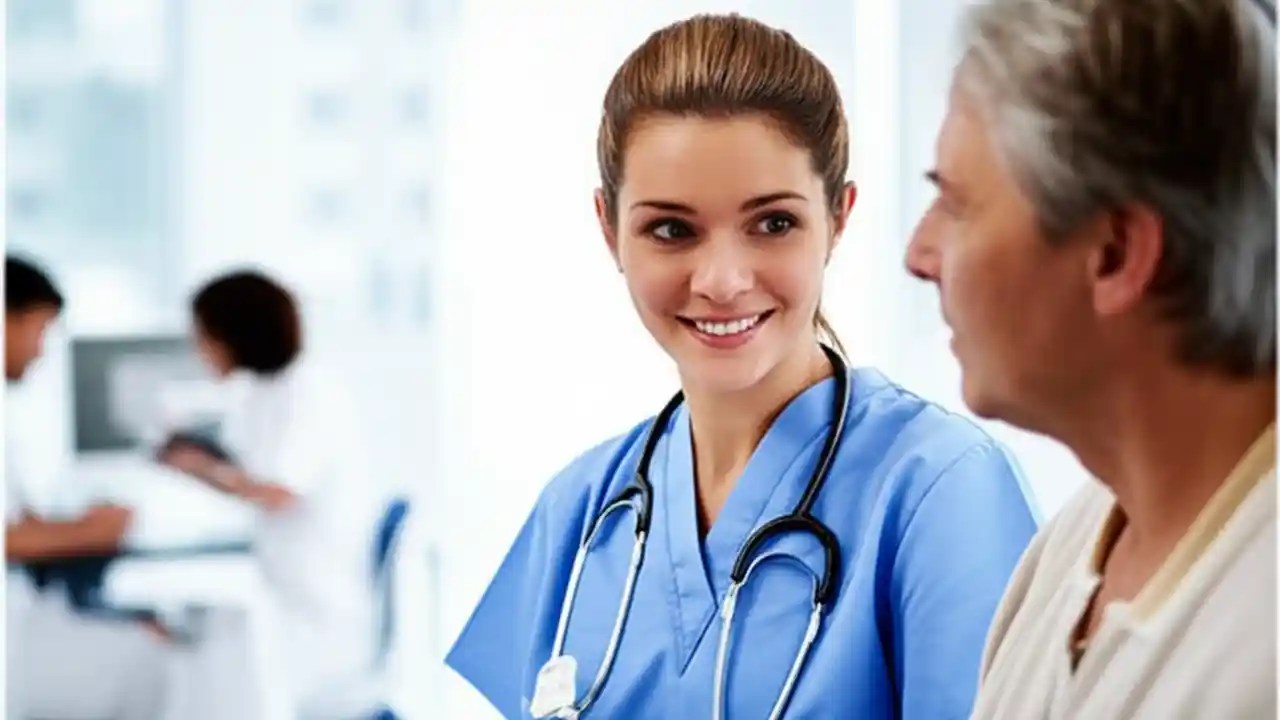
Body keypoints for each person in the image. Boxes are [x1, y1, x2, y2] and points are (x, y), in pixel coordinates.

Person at [447, 14, 1038, 719]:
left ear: (838, 217)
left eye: (773, 224)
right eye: (672, 229)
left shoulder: (940, 492)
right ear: (609, 229)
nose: (722, 281)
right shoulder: (579, 513)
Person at [904, 0, 1276, 716]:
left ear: (1115, 254)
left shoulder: (1261, 651)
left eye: (956, 204)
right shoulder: (1073, 550)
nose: (918, 255)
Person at [157, 269, 384, 718]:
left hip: (316, 613)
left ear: (234, 334)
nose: (200, 350)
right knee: (189, 656)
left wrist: (198, 467)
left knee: (200, 671)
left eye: (203, 336)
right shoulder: (265, 392)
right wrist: (199, 466)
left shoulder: (308, 393)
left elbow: (279, 491)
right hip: (283, 593)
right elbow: (252, 479)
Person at [5, 256, 170, 720]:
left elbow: (19, 524)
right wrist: (89, 533)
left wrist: (78, 526)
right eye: (39, 330)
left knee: (156, 641)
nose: (40, 352)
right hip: (17, 636)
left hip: (31, 614)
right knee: (157, 662)